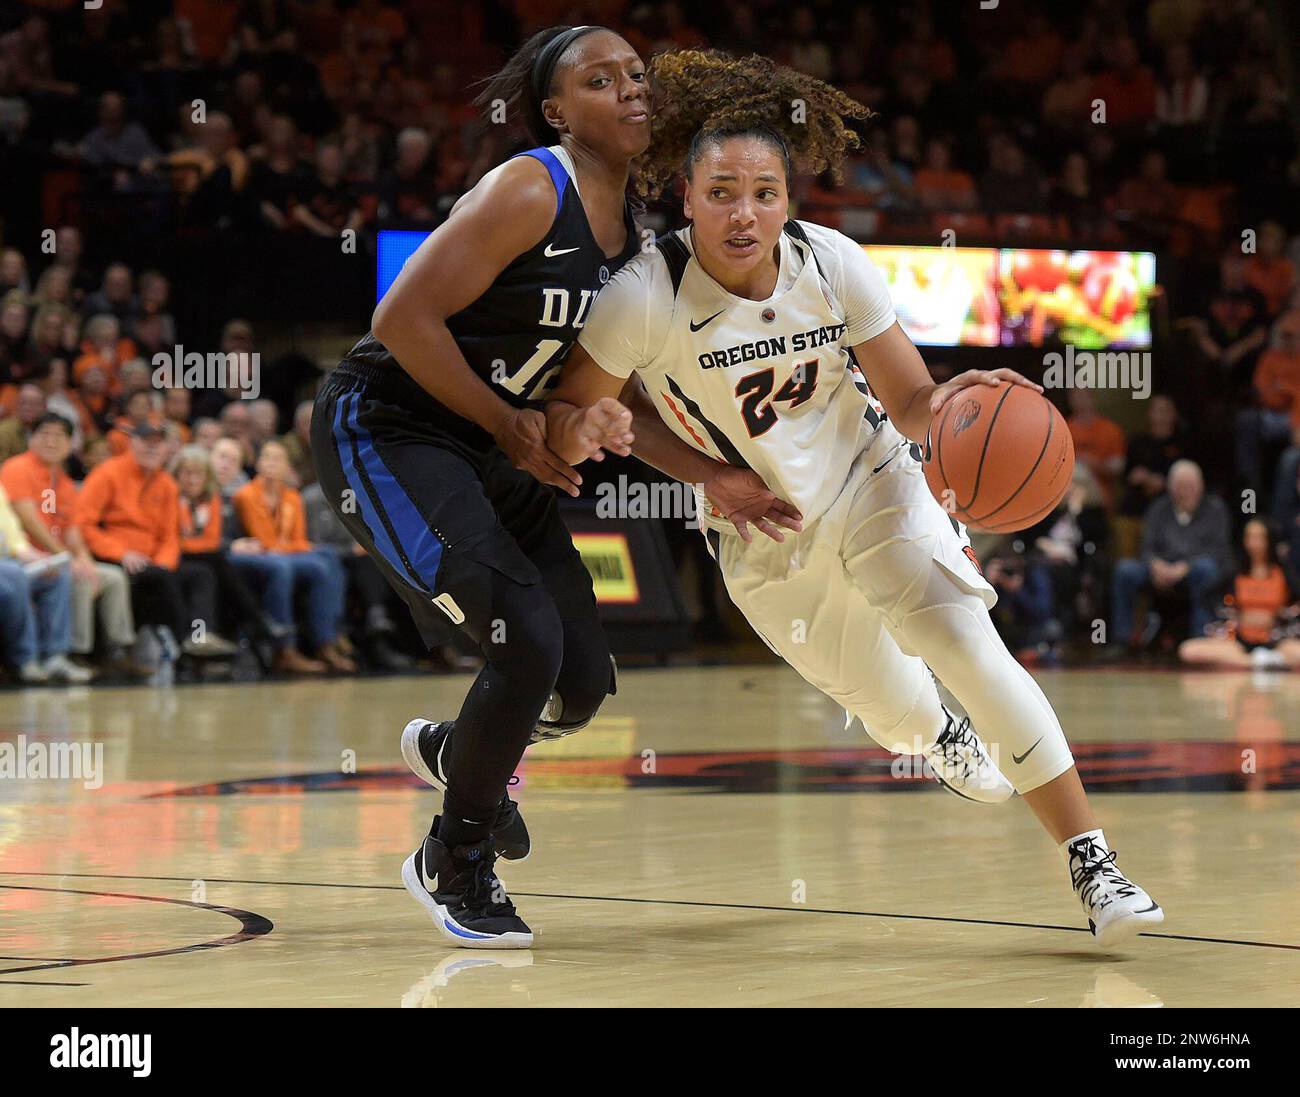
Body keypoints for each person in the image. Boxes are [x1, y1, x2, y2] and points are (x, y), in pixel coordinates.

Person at [547, 49, 1164, 948]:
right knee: (898, 715)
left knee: (970, 650)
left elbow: (911, 402)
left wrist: (953, 403)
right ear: (685, 195)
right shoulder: (642, 297)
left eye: (763, 190)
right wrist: (699, 472)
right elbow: (583, 409)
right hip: (766, 540)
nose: (743, 211)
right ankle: (940, 737)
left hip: (875, 483)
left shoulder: (832, 263)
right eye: (721, 191)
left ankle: (1093, 860)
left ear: (788, 199)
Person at [310, 25, 651, 948]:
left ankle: (458, 755)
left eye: (635, 74)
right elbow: (403, 314)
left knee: (579, 682)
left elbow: (581, 378)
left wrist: (588, 421)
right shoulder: (531, 187)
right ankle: (453, 855)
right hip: (390, 424)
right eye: (599, 79)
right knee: (523, 636)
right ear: (556, 112)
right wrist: (507, 423)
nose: (628, 89)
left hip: (495, 443)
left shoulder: (645, 232)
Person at [75, 422, 239, 661]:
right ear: (132, 443)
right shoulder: (107, 473)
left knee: (200, 573)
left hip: (152, 561)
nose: (152, 449)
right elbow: (83, 525)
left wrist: (164, 563)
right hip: (115, 556)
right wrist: (120, 552)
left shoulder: (167, 484)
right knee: (163, 579)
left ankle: (200, 635)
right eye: (145, 442)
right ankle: (186, 644)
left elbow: (170, 536)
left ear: (165, 448)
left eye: (158, 443)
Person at [1, 412, 139, 673]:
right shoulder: (17, 468)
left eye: (58, 436)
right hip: (25, 557)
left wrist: (84, 560)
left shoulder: (61, 481)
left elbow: (73, 530)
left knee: (113, 578)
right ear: (31, 439)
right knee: (73, 575)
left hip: (52, 558)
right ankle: (73, 652)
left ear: (69, 444)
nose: (51, 442)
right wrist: (67, 558)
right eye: (44, 434)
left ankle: (118, 650)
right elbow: (29, 521)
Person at [233, 440, 355, 672]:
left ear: (287, 468)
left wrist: (295, 546)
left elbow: (298, 539)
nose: (270, 463)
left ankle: (328, 638)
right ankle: (286, 649)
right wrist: (295, 547)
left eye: (277, 459)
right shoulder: (246, 495)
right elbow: (266, 542)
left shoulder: (292, 497)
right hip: (259, 555)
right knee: (298, 566)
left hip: (284, 553)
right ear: (257, 463)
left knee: (329, 554)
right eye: (266, 457)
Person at [1111, 459, 1233, 647]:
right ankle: (1121, 640)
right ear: (1171, 488)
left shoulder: (1215, 509)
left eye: (1191, 486)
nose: (1187, 491)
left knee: (1207, 569)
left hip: (1194, 569)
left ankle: (1199, 640)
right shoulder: (1158, 508)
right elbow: (1146, 547)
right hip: (1159, 568)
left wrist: (1185, 567)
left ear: (1201, 486)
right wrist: (1155, 565)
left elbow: (1219, 550)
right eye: (1181, 486)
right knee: (1124, 570)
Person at [0, 479, 90, 683]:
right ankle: (24, 660)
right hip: (8, 568)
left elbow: (14, 540)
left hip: (10, 562)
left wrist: (39, 558)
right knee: (15, 575)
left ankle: (55, 656)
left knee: (56, 574)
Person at [1178, 519, 1299, 669]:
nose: (1254, 543)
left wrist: (1279, 616)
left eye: (1259, 537)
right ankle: (1257, 662)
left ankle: (1271, 659)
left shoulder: (1283, 573)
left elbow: (1294, 607)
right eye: (1250, 537)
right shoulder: (1235, 573)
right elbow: (1210, 600)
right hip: (1239, 641)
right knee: (1188, 650)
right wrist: (1238, 617)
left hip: (1276, 640)